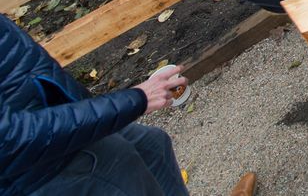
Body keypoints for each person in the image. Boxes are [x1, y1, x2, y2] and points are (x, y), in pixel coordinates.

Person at [1, 14, 189, 196]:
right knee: (130, 175)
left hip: (62, 115)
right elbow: (9, 138)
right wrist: (134, 101)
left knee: (153, 145)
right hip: (42, 167)